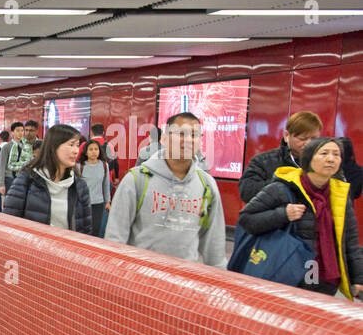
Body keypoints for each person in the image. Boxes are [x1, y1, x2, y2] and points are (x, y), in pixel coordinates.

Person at [237, 137, 363, 299]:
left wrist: (358, 278)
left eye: (336, 155)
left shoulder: (340, 195)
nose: (331, 159)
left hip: (327, 279)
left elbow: (350, 241)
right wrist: (283, 214)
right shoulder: (282, 188)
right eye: (324, 153)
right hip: (287, 275)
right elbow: (246, 219)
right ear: (309, 158)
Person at [104, 112, 225, 266]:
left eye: (194, 135)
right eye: (180, 134)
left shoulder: (207, 185)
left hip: (184, 282)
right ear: (165, 138)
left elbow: (214, 244)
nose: (187, 140)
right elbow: (115, 237)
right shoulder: (137, 180)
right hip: (140, 280)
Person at [3, 123, 94, 235]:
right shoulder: (27, 180)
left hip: (66, 250)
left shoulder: (80, 186)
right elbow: (9, 222)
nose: (76, 151)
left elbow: (86, 230)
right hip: (33, 249)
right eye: (71, 145)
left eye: (77, 145)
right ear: (53, 147)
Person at [239, 111, 323, 204]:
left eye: (314, 139)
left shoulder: (324, 162)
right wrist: (285, 182)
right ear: (287, 136)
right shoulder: (263, 161)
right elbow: (247, 192)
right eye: (302, 139)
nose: (308, 144)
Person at [78, 138, 113, 237]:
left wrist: (107, 202)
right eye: (91, 149)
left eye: (96, 149)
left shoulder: (104, 165)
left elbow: (106, 185)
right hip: (82, 203)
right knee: (82, 230)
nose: (94, 152)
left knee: (95, 230)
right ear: (86, 152)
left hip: (98, 203)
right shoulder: (79, 166)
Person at [0, 121, 24, 194]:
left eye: (22, 130)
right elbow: (2, 166)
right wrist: (1, 184)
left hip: (22, 179)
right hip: (9, 179)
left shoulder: (26, 147)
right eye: (17, 131)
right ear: (12, 132)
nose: (20, 133)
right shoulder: (6, 147)